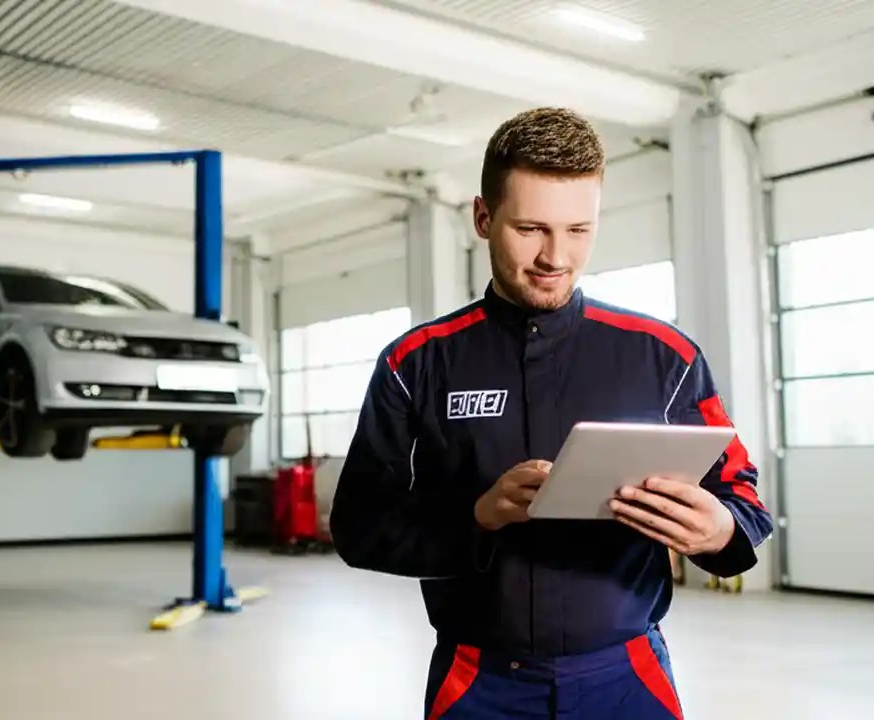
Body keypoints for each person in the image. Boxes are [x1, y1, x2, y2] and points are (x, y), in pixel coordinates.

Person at [329, 107, 773, 719]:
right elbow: (358, 526)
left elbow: (744, 500)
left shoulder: (664, 357)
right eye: (531, 228)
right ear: (483, 218)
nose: (555, 256)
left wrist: (719, 531)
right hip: (478, 683)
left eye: (578, 230)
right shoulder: (416, 364)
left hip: (627, 678)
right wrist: (477, 518)